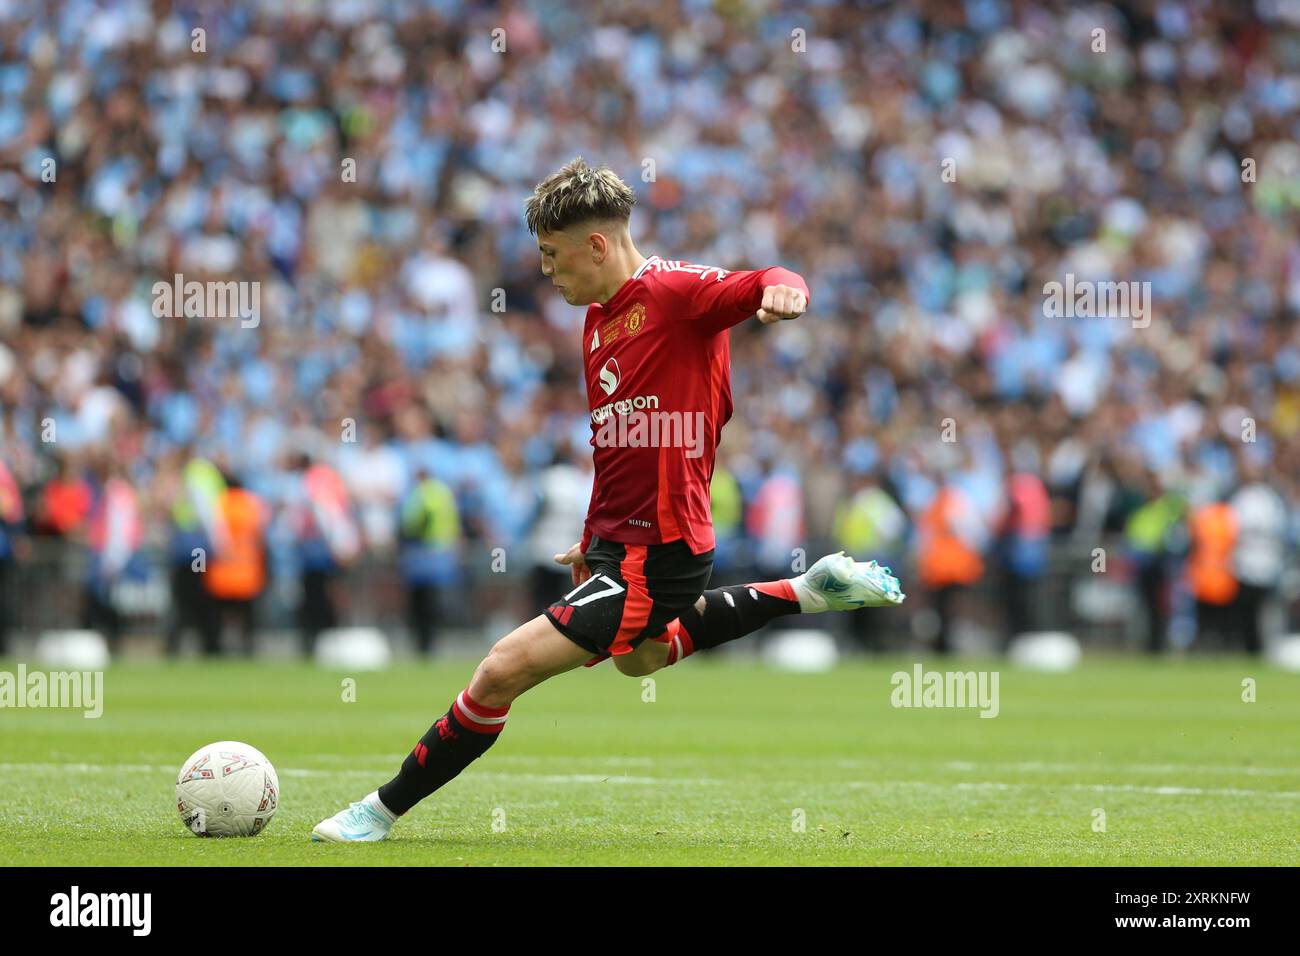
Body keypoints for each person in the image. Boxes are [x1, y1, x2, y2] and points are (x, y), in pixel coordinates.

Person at [312, 157, 905, 842]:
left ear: (597, 245)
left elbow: (771, 277)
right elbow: (616, 446)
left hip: (661, 554)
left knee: (502, 669)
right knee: (642, 658)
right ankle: (805, 591)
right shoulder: (597, 321)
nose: (544, 270)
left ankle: (378, 811)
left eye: (552, 255)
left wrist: (786, 295)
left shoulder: (678, 293)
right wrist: (592, 536)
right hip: (615, 543)